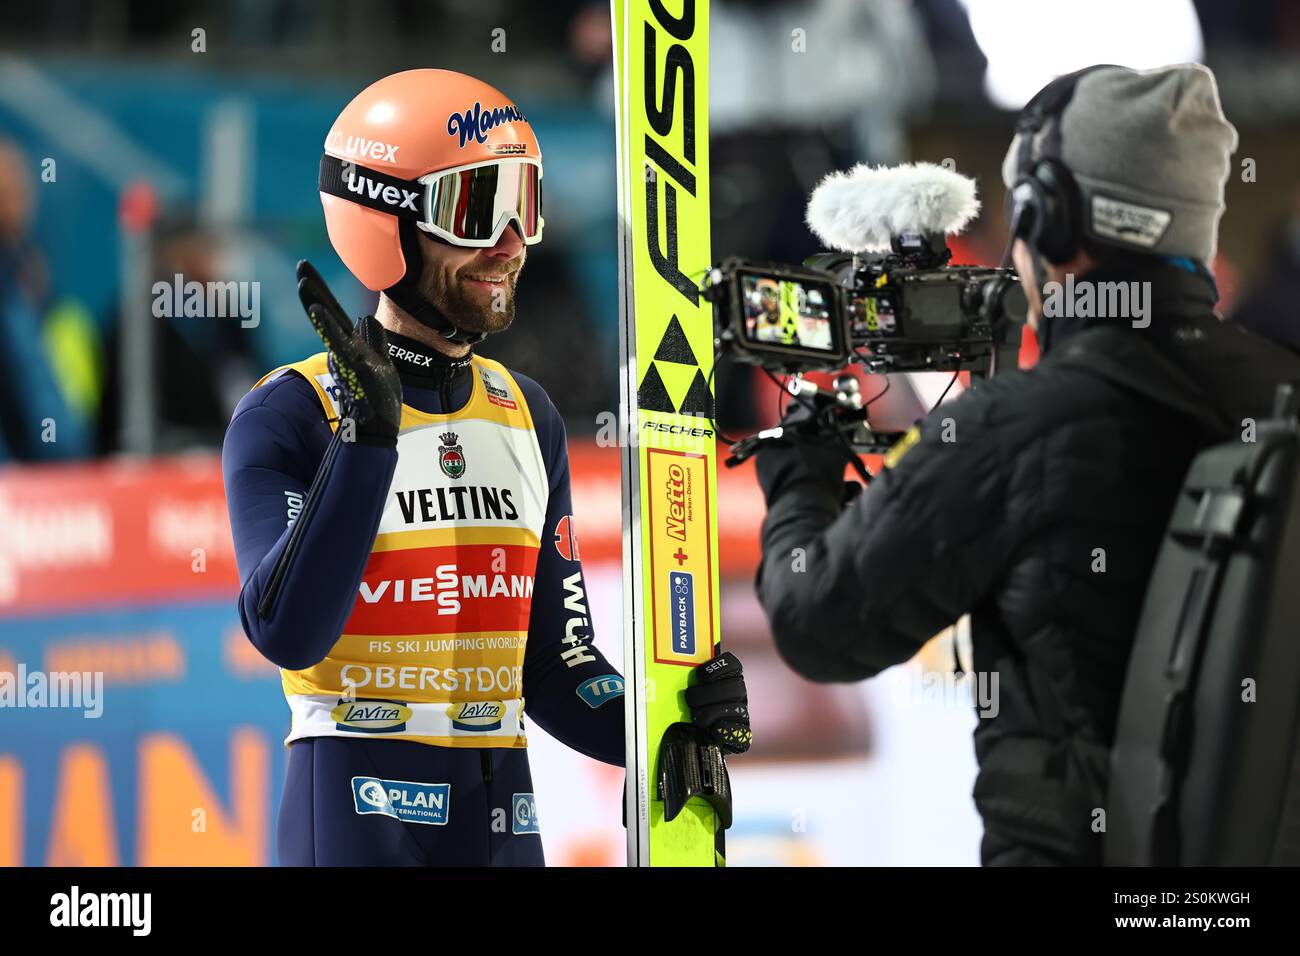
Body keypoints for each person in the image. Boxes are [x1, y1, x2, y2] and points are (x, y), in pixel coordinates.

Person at [752, 64, 1300, 865]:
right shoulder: (1284, 391)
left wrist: (800, 474)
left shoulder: (1017, 428)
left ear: (1049, 217)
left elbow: (818, 622)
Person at [221, 69, 749, 867]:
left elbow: (554, 664)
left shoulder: (525, 413)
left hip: (504, 822)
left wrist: (662, 724)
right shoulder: (289, 412)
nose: (509, 244)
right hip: (357, 822)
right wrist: (364, 445)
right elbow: (288, 631)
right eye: (474, 210)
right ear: (381, 222)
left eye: (524, 205)